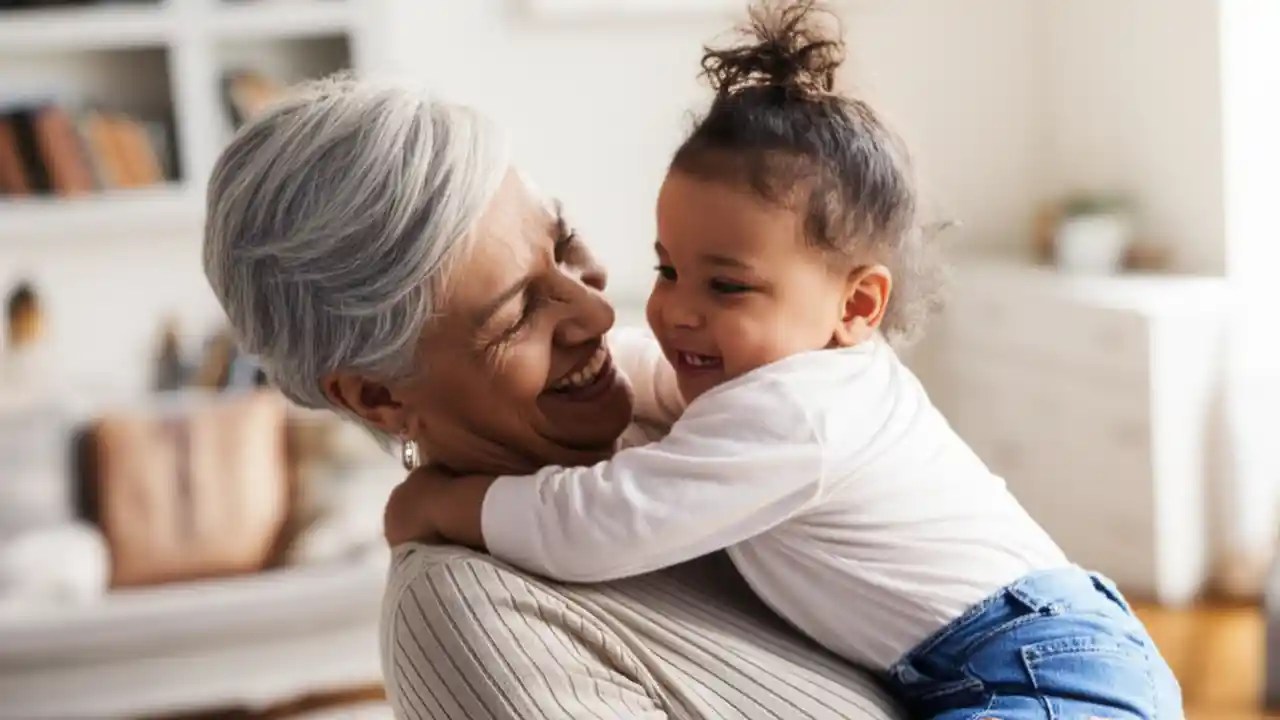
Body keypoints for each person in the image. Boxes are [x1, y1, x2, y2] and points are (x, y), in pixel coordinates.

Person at [385, 3, 1184, 718]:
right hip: (1003, 655)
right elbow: (642, 375)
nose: (676, 309)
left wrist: (449, 507)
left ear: (857, 306)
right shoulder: (761, 374)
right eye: (668, 269)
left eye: (727, 285)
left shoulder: (795, 412)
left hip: (1034, 667)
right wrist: (581, 366)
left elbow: (601, 520)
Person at [202, 73, 902, 718]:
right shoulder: (468, 612)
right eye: (516, 316)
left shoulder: (683, 420)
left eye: (564, 243)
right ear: (379, 397)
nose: (597, 314)